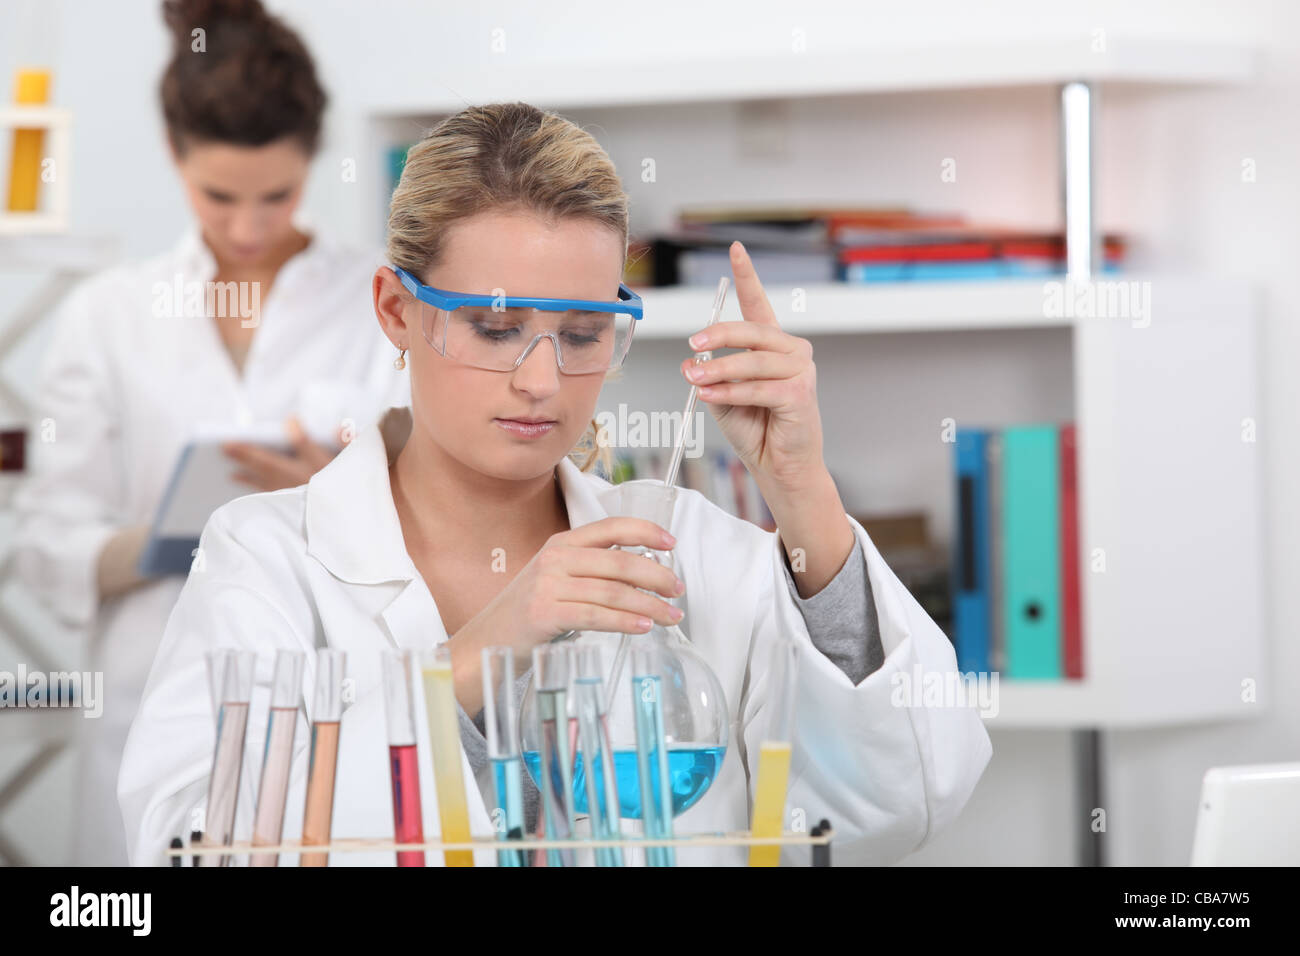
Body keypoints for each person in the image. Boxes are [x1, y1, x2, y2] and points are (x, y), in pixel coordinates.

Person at [119, 101, 991, 867]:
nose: (541, 380)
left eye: (582, 333)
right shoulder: (268, 558)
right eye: (497, 328)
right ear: (395, 309)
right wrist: (475, 660)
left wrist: (802, 491)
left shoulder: (679, 547)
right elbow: (190, 848)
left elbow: (904, 800)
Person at [10, 0, 406, 866]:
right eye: (218, 196)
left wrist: (344, 486)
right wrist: (156, 546)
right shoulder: (108, 315)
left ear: (311, 164)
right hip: (149, 693)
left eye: (279, 195)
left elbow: (444, 497)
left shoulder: (384, 299)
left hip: (336, 686)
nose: (248, 227)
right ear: (173, 156)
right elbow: (45, 538)